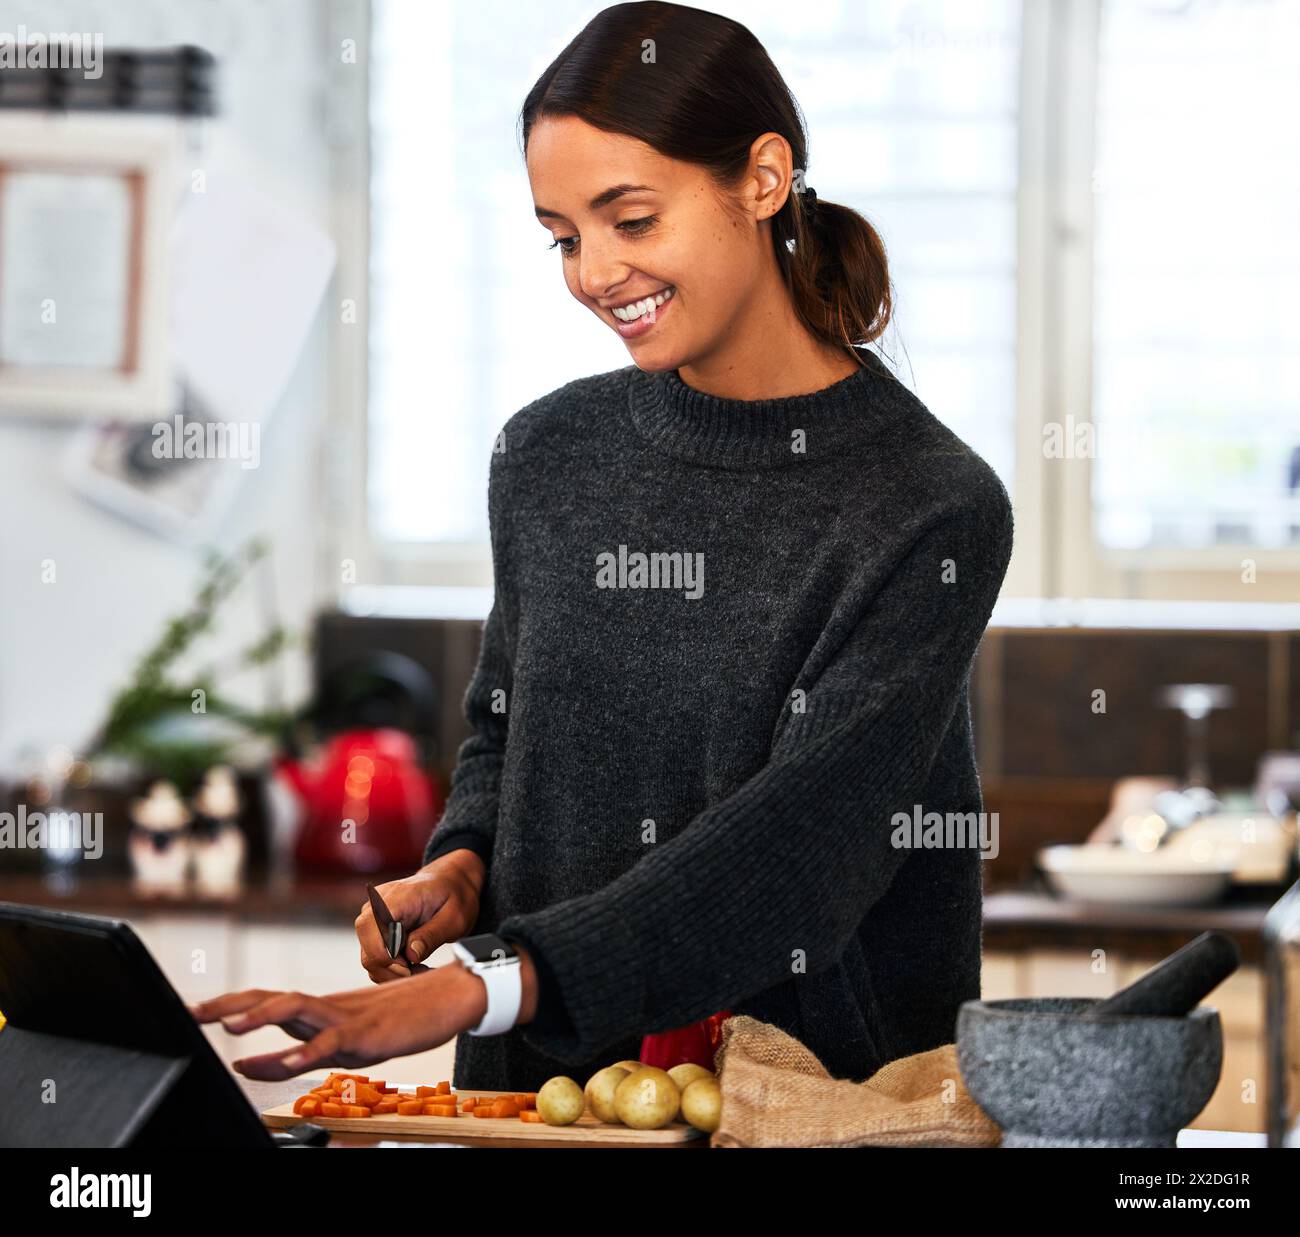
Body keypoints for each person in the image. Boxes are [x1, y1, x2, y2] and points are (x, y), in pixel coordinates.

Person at [193, 1, 1014, 1093]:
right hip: (541, 1094)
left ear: (762, 180)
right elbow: (504, 726)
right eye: (563, 235)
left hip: (799, 1105)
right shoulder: (548, 454)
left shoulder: (929, 505)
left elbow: (801, 857)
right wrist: (466, 861)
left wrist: (472, 985)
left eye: (630, 220)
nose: (592, 273)